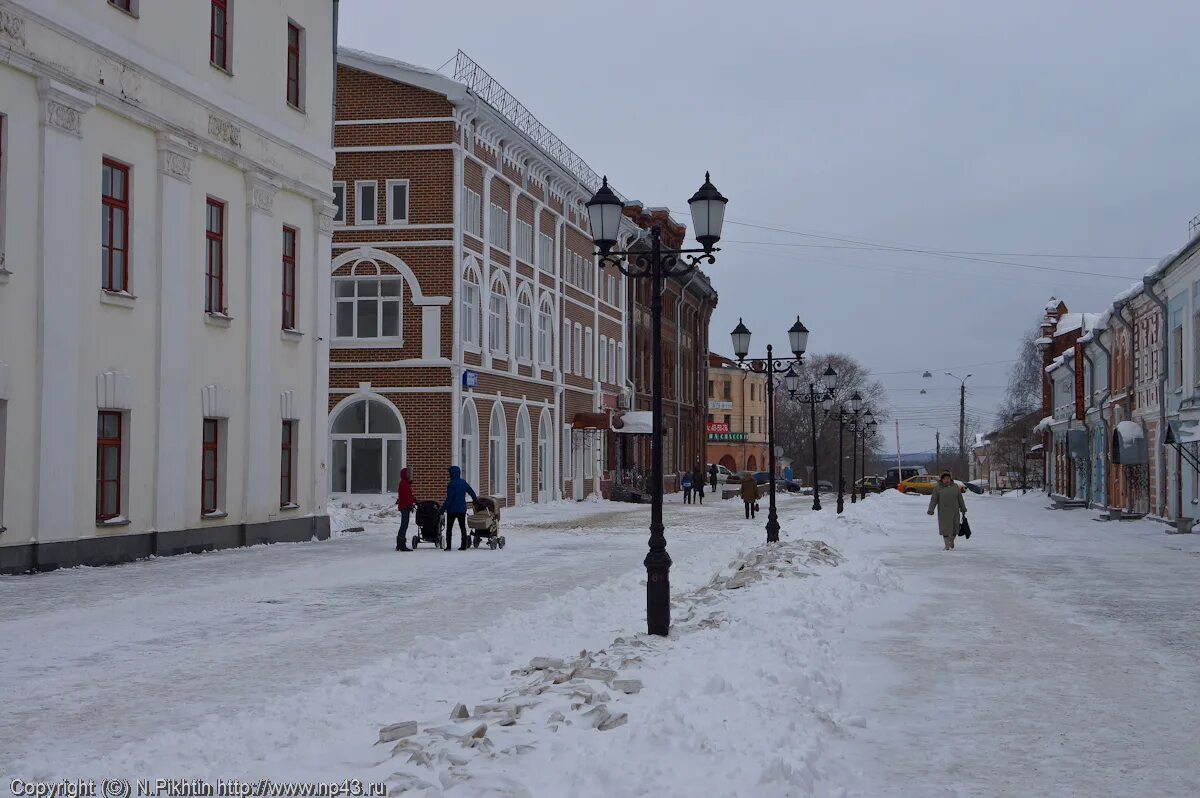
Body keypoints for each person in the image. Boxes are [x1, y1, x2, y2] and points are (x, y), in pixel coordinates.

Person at [927, 471, 967, 550]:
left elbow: (960, 498)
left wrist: (963, 508)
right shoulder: (938, 488)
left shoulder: (955, 486)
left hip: (954, 511)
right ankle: (947, 545)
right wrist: (931, 509)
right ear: (942, 480)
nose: (947, 480)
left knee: (955, 528)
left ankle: (951, 540)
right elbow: (933, 500)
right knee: (945, 529)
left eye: (948, 478)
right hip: (943, 512)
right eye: (945, 479)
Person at [442, 465, 478, 551]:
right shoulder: (463, 482)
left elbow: (449, 498)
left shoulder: (451, 484)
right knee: (462, 527)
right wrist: (475, 500)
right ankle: (463, 545)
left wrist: (443, 508)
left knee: (449, 528)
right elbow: (471, 491)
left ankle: (449, 546)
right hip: (461, 509)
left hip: (452, 510)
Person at [395, 467, 415, 551]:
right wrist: (410, 504)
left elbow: (409, 496)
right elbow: (405, 497)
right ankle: (401, 544)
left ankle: (400, 543)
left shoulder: (405, 483)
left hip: (405, 506)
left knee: (404, 524)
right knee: (404, 524)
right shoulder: (404, 484)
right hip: (405, 507)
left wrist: (414, 500)